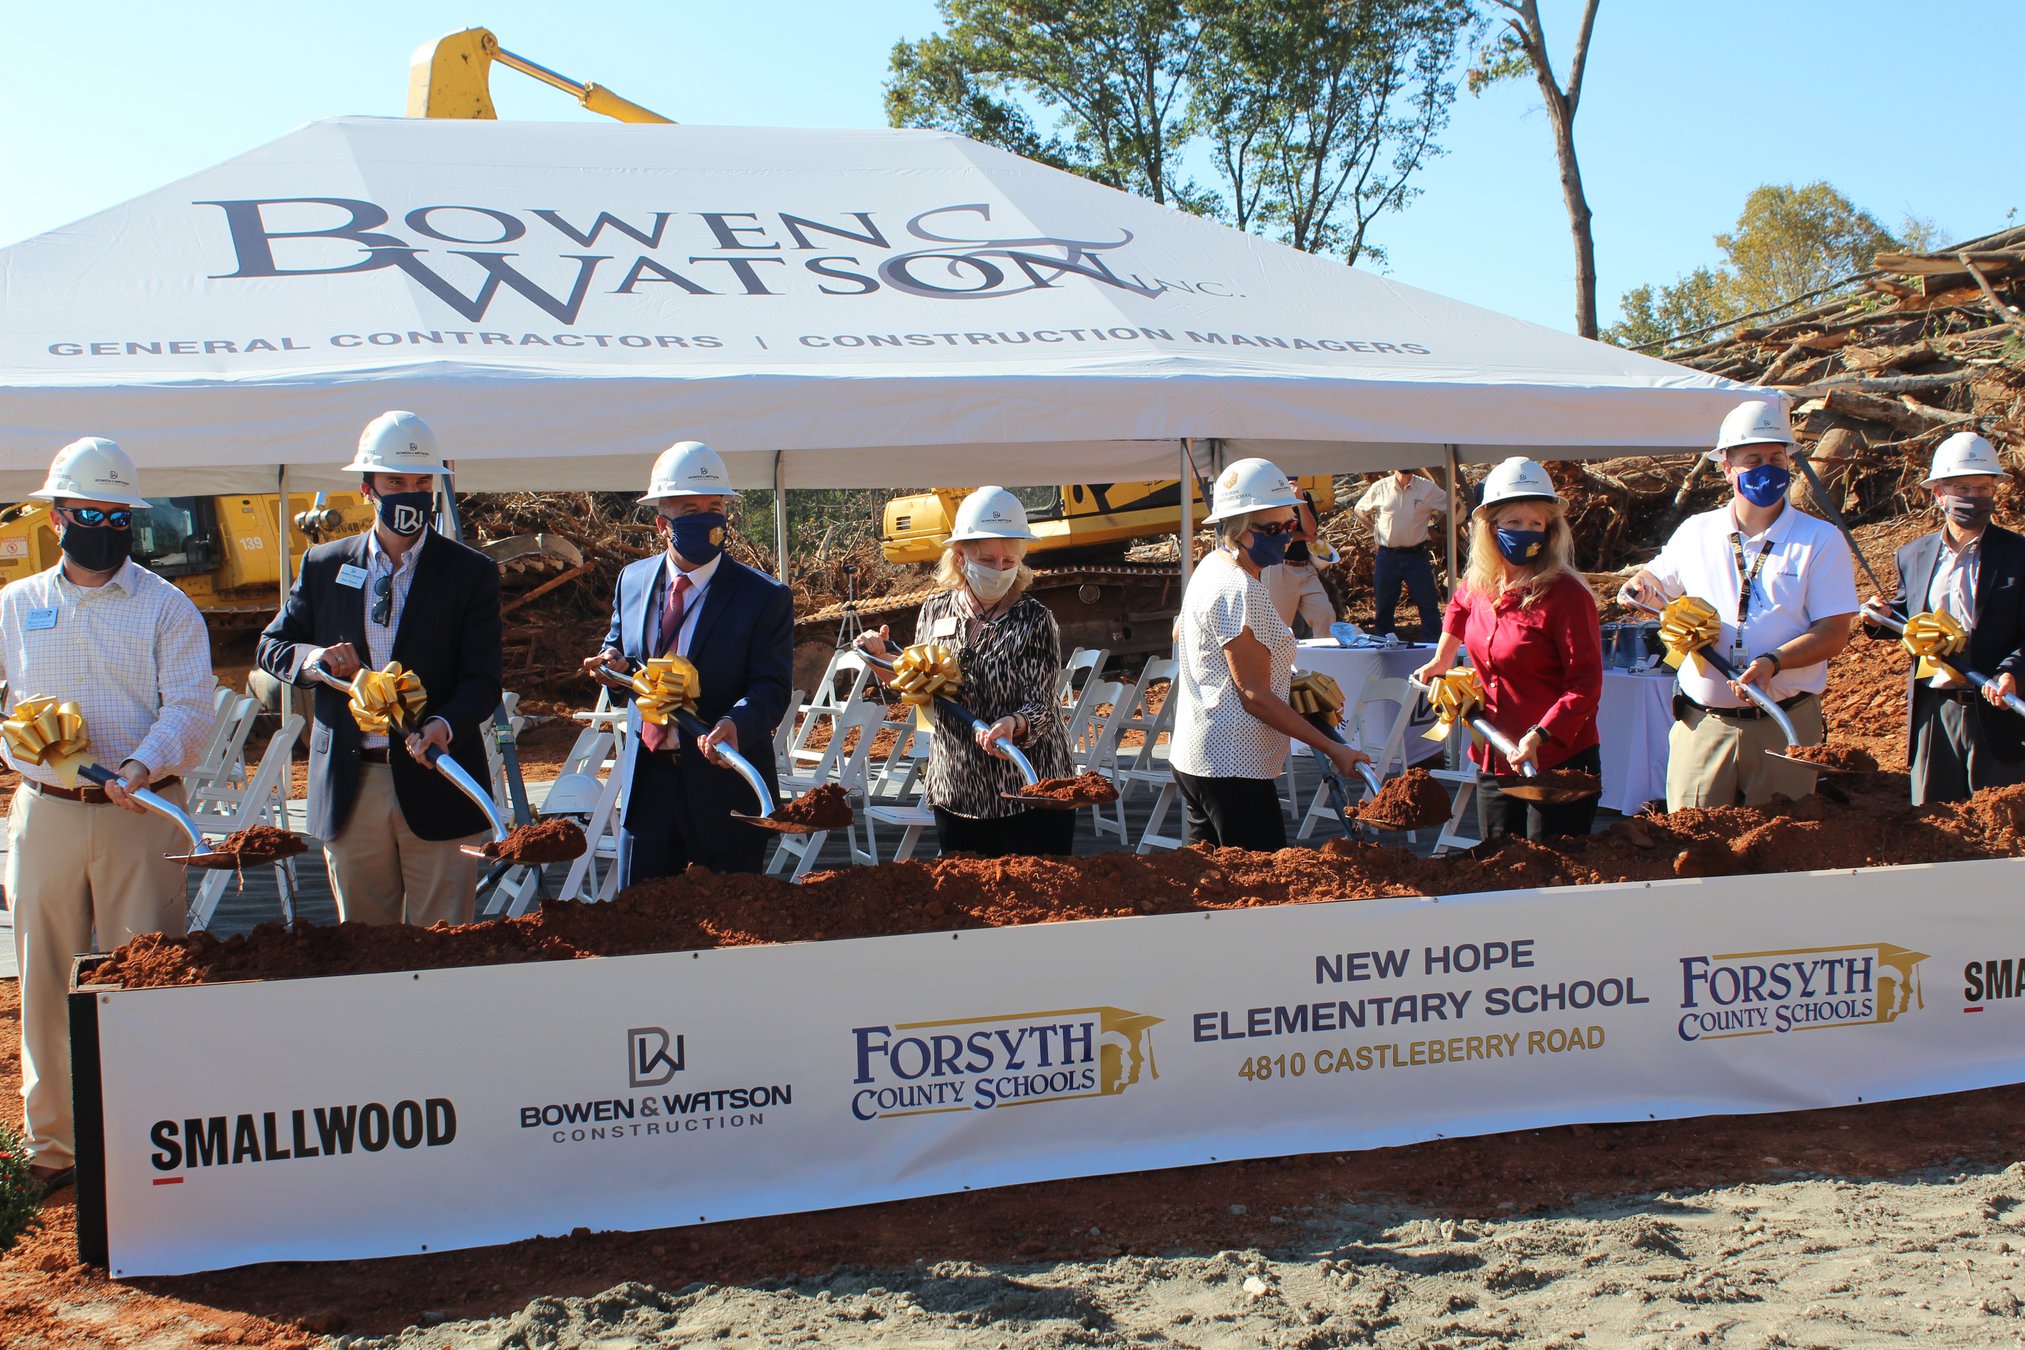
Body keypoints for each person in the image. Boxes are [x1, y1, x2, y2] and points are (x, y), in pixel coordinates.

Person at [1, 438, 214, 1195]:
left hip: (141, 811)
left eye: (117, 514)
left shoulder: (168, 606)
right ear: (58, 516)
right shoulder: (17, 605)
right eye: (90, 512)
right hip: (47, 814)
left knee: (147, 976)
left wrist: (138, 766)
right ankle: (53, 1150)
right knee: (46, 980)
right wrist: (19, 738)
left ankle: (147, 1141)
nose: (105, 526)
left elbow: (191, 707)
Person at [257, 411, 503, 927]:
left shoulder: (470, 573)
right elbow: (273, 645)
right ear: (368, 487)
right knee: (364, 948)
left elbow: (482, 678)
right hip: (353, 784)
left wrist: (444, 724)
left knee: (445, 943)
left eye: (421, 482)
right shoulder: (324, 564)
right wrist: (317, 663)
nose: (410, 493)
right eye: (396, 481)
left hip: (437, 778)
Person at [1623, 399, 1859, 810]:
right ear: (1727, 467)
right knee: (1694, 847)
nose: (1767, 468)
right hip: (1704, 725)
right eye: (1753, 459)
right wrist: (1639, 585)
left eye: (1776, 457)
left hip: (1784, 724)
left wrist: (1773, 662)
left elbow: (1834, 631)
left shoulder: (1820, 540)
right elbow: (1654, 579)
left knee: (1781, 850)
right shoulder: (1696, 532)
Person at [582, 440, 793, 881]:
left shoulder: (763, 596)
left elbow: (771, 688)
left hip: (725, 790)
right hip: (650, 784)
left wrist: (737, 722)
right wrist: (609, 667)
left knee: (736, 928)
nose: (708, 520)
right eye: (691, 510)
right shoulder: (632, 579)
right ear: (663, 524)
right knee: (643, 924)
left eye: (714, 507)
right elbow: (618, 649)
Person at [855, 487, 1077, 856]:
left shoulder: (1035, 619)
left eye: (1009, 561)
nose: (1000, 570)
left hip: (1028, 792)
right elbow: (921, 687)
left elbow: (1042, 707)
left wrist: (1012, 724)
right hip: (957, 789)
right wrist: (882, 659)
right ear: (960, 557)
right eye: (988, 560)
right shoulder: (935, 611)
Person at [1172, 457, 1371, 850]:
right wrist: (1335, 749)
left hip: (1201, 756)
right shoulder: (1239, 587)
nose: (1284, 536)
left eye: (1289, 524)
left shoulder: (1212, 566)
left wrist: (1278, 673)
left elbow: (1181, 630)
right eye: (1272, 529)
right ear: (1239, 530)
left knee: (1218, 884)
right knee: (1257, 889)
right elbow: (1255, 697)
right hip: (1233, 765)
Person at [1411, 458, 1603, 840]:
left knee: (1553, 871)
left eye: (1536, 523)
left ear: (1550, 530)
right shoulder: (1482, 583)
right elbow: (1459, 607)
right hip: (1495, 755)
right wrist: (1442, 657)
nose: (1526, 532)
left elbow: (1585, 684)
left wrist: (1540, 735)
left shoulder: (1566, 595)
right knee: (1498, 864)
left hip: (1555, 759)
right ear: (1491, 528)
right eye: (1514, 523)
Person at [1861, 432, 2024, 804]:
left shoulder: (2018, 555)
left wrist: (2012, 672)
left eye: (1983, 488)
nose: (1974, 497)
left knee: (2001, 827)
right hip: (1934, 711)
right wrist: (1881, 618)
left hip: (1997, 713)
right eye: (1963, 487)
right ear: (1938, 494)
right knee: (1935, 824)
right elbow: (1910, 619)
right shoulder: (1913, 555)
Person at [1355, 468, 1448, 641]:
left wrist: (1436, 529)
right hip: (1387, 556)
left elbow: (1455, 507)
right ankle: (1385, 647)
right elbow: (1359, 510)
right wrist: (1376, 530)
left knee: (1428, 605)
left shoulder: (1427, 489)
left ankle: (1434, 649)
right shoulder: (1380, 487)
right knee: (1384, 606)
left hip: (1416, 556)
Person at [1266, 489, 1338, 639]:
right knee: (1279, 626)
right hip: (1280, 567)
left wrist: (1300, 500)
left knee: (1325, 614)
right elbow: (1279, 534)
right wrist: (1304, 536)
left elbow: (1311, 529)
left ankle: (1326, 657)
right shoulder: (1270, 495)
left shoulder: (1304, 496)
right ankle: (1278, 661)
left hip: (1305, 567)